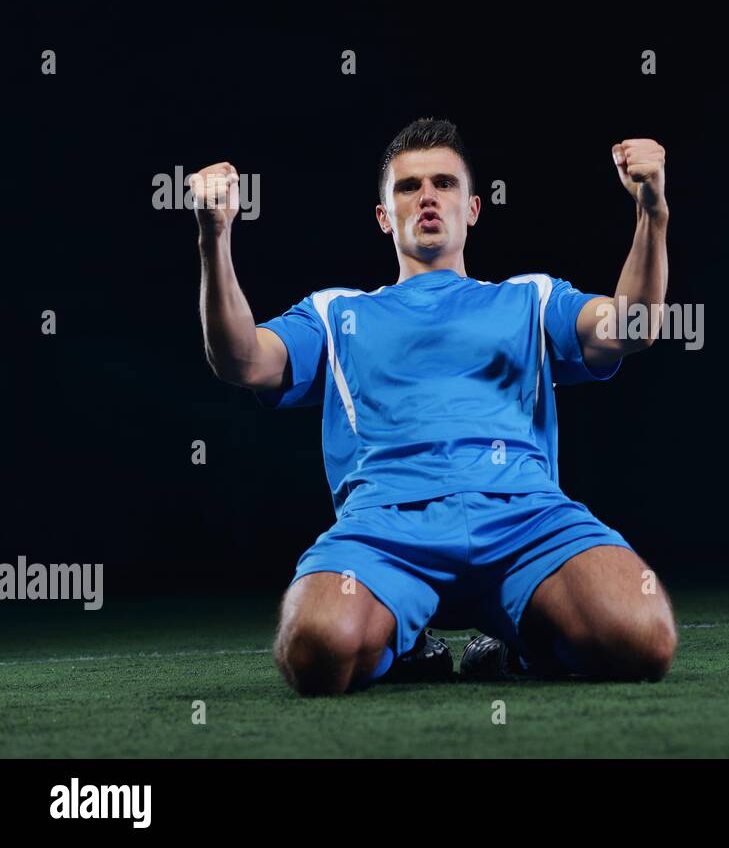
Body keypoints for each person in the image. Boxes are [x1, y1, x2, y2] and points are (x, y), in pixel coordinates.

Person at [192, 118, 676, 695]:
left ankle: (514, 642)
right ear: (383, 217)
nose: (427, 196)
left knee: (643, 638)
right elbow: (241, 360)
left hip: (524, 519)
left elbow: (635, 325)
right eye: (407, 186)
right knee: (315, 651)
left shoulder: (531, 298)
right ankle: (405, 644)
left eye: (444, 184)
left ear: (472, 209)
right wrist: (214, 237)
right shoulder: (335, 312)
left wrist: (652, 212)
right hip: (385, 528)